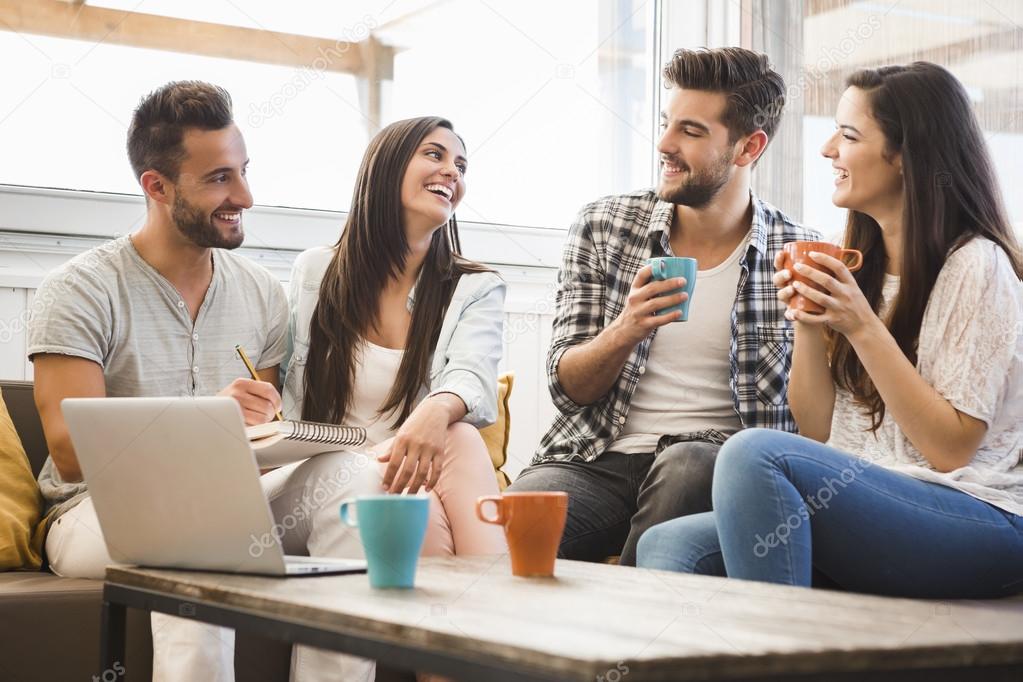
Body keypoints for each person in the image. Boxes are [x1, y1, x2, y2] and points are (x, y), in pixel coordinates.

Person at [28, 81, 380, 682]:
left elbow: (261, 441)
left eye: (243, 171)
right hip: (97, 513)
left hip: (232, 500)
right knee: (197, 531)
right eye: (219, 178)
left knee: (356, 475)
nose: (244, 194)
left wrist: (272, 432)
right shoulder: (80, 289)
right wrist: (202, 416)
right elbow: (69, 451)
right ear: (157, 187)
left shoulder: (261, 293)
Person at [637, 62, 1023, 599]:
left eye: (848, 135)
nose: (826, 150)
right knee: (667, 546)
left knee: (752, 453)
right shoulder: (860, 265)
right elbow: (818, 431)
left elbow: (949, 450)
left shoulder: (975, 265)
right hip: (871, 502)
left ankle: (788, 663)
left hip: (979, 515)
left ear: (906, 156)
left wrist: (862, 326)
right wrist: (810, 325)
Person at [508, 47, 819, 565]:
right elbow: (569, 390)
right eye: (665, 123)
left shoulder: (797, 253)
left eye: (691, 132)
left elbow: (808, 423)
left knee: (689, 467)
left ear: (748, 147)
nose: (664, 144)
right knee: (516, 522)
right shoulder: (604, 226)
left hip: (711, 461)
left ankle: (623, 630)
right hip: (597, 458)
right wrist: (625, 329)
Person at [281, 115, 508, 680]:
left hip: (413, 478)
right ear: (385, 169)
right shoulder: (317, 272)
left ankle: (488, 635)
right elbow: (288, 399)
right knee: (430, 475)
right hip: (327, 474)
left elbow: (473, 377)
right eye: (435, 155)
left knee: (448, 446)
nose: (451, 172)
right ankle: (511, 627)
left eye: (460, 164)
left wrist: (434, 408)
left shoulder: (473, 286)